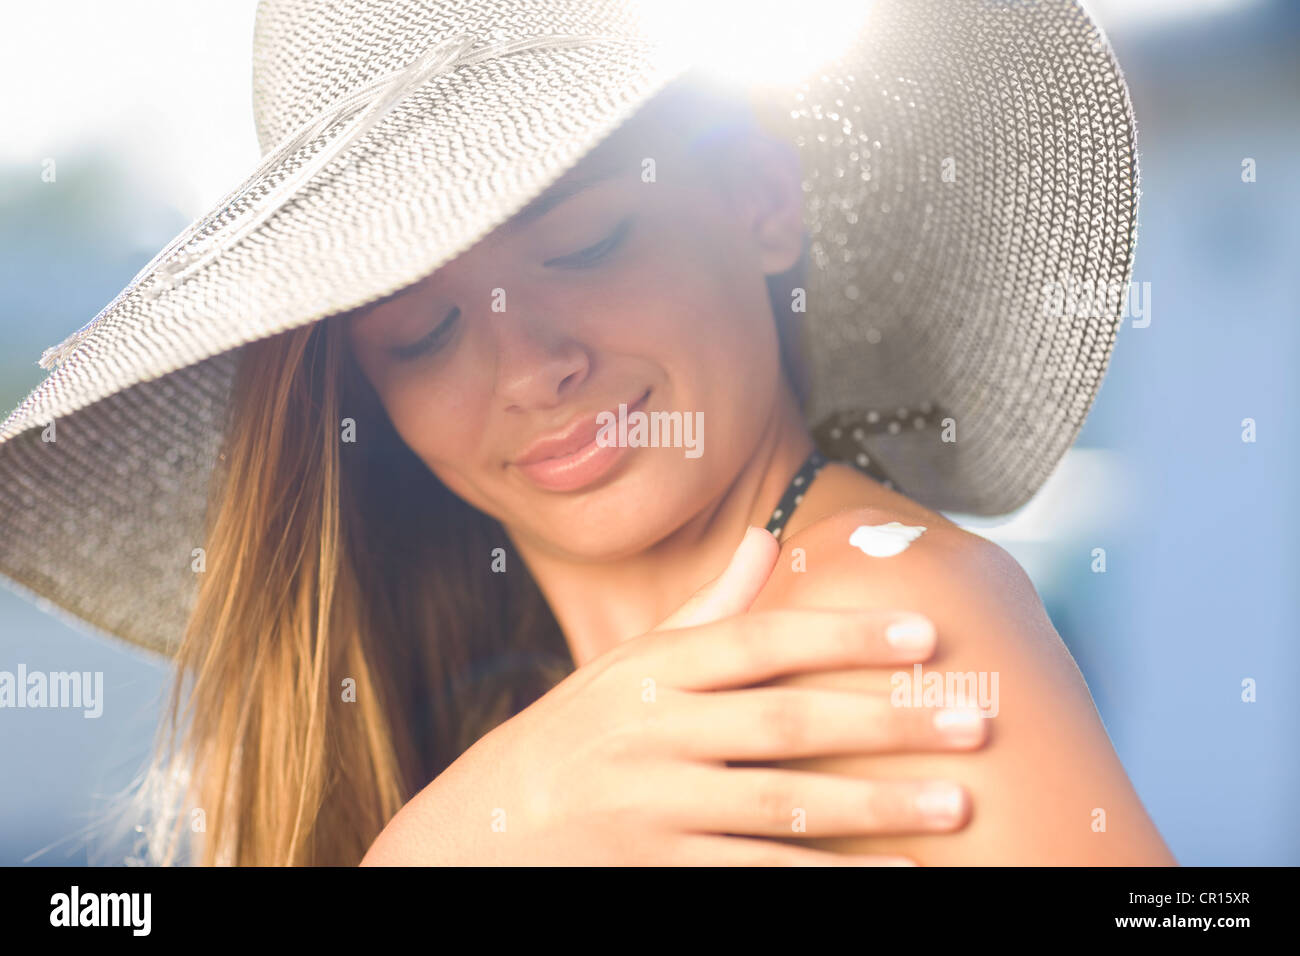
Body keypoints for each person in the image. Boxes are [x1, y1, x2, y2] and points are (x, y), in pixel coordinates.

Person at [0, 0, 1174, 866]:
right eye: (424, 333)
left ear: (764, 203)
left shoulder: (892, 622)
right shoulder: (482, 712)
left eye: (587, 247)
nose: (529, 369)